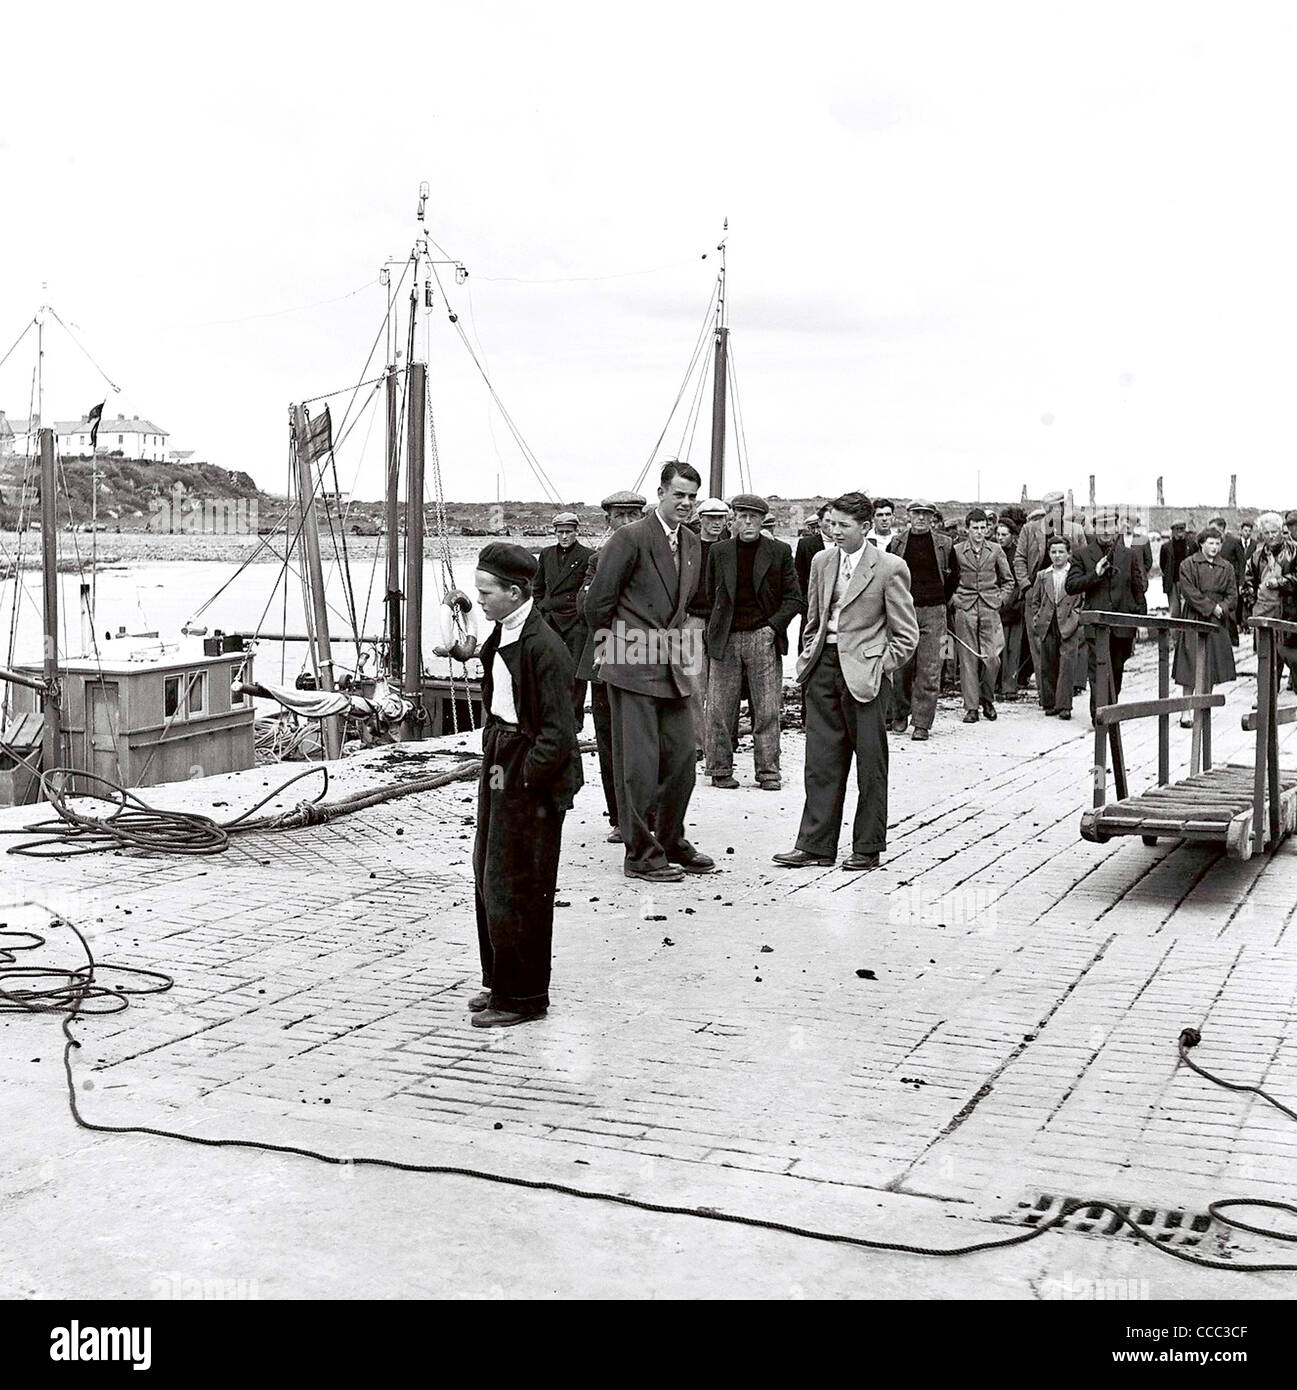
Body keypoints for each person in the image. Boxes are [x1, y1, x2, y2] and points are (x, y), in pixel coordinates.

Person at [584, 460, 715, 883]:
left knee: (681, 761)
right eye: (679, 494)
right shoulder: (630, 538)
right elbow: (597, 604)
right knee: (638, 765)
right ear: (660, 494)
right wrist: (612, 651)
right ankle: (640, 853)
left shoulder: (693, 543)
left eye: (692, 496)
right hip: (630, 662)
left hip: (673, 662)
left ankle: (671, 839)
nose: (686, 503)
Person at [773, 492, 918, 871]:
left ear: (865, 527)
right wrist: (810, 654)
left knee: (870, 764)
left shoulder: (890, 567)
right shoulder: (821, 561)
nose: (834, 531)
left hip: (866, 677)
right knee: (820, 762)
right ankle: (815, 846)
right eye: (831, 524)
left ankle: (867, 847)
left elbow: (906, 634)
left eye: (843, 525)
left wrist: (880, 664)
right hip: (823, 669)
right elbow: (814, 617)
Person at [470, 543, 583, 1028]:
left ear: (515, 593)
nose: (480, 602)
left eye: (486, 593)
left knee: (519, 883)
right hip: (501, 758)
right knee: (488, 871)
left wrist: (529, 780)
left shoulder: (544, 646)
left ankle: (524, 998)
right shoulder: (504, 633)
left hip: (529, 770)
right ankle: (499, 979)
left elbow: (561, 731)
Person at [703, 492, 804, 790]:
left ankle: (769, 772)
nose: (747, 522)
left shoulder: (780, 551)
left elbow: (794, 597)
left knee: (768, 708)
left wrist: (772, 628)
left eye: (754, 517)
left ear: (762, 520)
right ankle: (720, 769)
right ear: (733, 519)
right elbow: (711, 595)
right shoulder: (719, 552)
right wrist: (719, 629)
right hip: (726, 638)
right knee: (720, 708)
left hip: (763, 638)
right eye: (742, 516)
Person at [576, 489, 646, 844]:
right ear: (608, 521)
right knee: (608, 741)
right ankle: (619, 816)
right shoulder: (598, 559)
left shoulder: (657, 557)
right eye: (620, 516)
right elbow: (585, 606)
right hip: (604, 659)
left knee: (644, 740)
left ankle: (646, 814)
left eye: (634, 515)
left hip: (642, 660)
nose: (627, 522)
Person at [886, 498, 958, 740]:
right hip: (903, 611)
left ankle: (922, 723)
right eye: (916, 513)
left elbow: (954, 577)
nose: (920, 518)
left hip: (934, 611)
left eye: (926, 514)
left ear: (932, 518)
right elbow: (887, 577)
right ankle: (899, 713)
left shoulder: (945, 545)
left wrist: (939, 600)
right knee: (900, 666)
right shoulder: (896, 544)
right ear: (908, 515)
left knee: (930, 668)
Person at [1067, 508, 1147, 719]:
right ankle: (1099, 715)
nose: (1106, 530)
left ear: (1117, 526)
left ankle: (1111, 709)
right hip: (1096, 627)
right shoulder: (1083, 555)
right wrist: (1095, 574)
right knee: (1098, 672)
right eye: (1101, 525)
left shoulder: (1129, 555)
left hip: (1122, 627)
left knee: (1117, 672)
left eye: (1110, 525)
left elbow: (1138, 590)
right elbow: (1071, 585)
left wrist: (1142, 621)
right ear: (1094, 527)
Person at [950, 508, 1015, 723]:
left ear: (988, 529)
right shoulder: (957, 550)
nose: (979, 532)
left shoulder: (996, 550)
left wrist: (1000, 600)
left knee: (992, 658)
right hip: (965, 608)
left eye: (983, 528)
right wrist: (955, 600)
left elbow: (1009, 581)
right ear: (967, 529)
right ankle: (971, 707)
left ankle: (987, 698)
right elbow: (948, 580)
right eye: (975, 528)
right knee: (968, 659)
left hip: (989, 607)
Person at [1014, 491, 1086, 685]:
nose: (1058, 511)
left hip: (1067, 592)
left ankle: (1064, 692)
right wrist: (1026, 587)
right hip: (1038, 591)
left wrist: (1079, 590)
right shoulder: (1030, 530)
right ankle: (1045, 693)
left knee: (1067, 640)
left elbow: (1083, 561)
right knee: (1039, 643)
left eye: (1061, 507)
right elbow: (1019, 559)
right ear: (1046, 509)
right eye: (1054, 507)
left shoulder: (1075, 530)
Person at [532, 511, 594, 730]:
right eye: (561, 532)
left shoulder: (588, 555)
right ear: (555, 532)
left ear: (577, 532)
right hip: (551, 621)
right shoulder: (547, 555)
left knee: (577, 674)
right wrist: (541, 607)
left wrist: (580, 615)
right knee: (549, 669)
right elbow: (537, 586)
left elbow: (588, 591)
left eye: (569, 532)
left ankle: (575, 719)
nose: (565, 536)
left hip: (575, 622)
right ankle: (550, 716)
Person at [1173, 526, 1238, 726]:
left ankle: (1204, 706)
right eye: (1210, 543)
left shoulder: (1226, 567)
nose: (1214, 547)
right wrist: (1211, 608)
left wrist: (1223, 609)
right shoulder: (1188, 564)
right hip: (1195, 617)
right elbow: (1189, 592)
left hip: (1217, 620)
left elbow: (1233, 595)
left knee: (1212, 663)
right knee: (1189, 663)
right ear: (1201, 544)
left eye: (1218, 543)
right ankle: (1186, 711)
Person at [685, 497, 730, 761]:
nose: (715, 523)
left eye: (720, 518)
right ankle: (696, 744)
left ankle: (719, 743)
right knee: (694, 684)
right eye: (710, 518)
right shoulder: (689, 547)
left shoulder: (728, 549)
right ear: (700, 519)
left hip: (720, 623)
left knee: (722, 686)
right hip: (692, 621)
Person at [1241, 511, 1297, 691]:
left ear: (1282, 531)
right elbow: (1247, 583)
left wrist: (1280, 582)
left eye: (1274, 532)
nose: (1271, 536)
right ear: (1261, 534)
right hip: (1264, 612)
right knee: (1266, 658)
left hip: (1290, 613)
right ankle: (1266, 697)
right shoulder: (1256, 557)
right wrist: (1253, 600)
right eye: (1267, 533)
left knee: (1292, 658)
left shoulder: (1294, 551)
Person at [1029, 535, 1084, 720]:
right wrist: (1038, 619)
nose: (1057, 556)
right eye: (1053, 552)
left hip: (1068, 623)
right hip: (1047, 623)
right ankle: (1050, 702)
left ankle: (1064, 705)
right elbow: (1035, 601)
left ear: (1068, 553)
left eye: (1061, 552)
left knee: (1067, 664)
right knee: (1048, 662)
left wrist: (1076, 617)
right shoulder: (1043, 575)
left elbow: (1082, 600)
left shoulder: (1075, 574)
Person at [994, 519, 1024, 700]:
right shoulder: (993, 552)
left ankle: (1009, 686)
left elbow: (1019, 579)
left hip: (1014, 606)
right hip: (996, 605)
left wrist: (1011, 600)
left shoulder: (1016, 555)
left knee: (1013, 648)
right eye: (998, 534)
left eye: (1004, 535)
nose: (1000, 538)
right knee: (998, 647)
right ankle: (996, 684)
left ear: (1012, 536)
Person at [1158, 521, 1197, 618]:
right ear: (1173, 531)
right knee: (1174, 611)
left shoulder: (1192, 545)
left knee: (1188, 611)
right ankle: (1175, 633)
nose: (1180, 532)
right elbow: (1163, 565)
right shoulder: (1166, 547)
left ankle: (1186, 633)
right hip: (1172, 582)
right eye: (1177, 529)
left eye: (1182, 529)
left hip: (1188, 581)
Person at [795, 502, 831, 597]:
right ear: (819, 522)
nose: (832, 525)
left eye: (836, 521)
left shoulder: (847, 543)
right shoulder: (805, 544)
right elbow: (799, 578)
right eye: (828, 521)